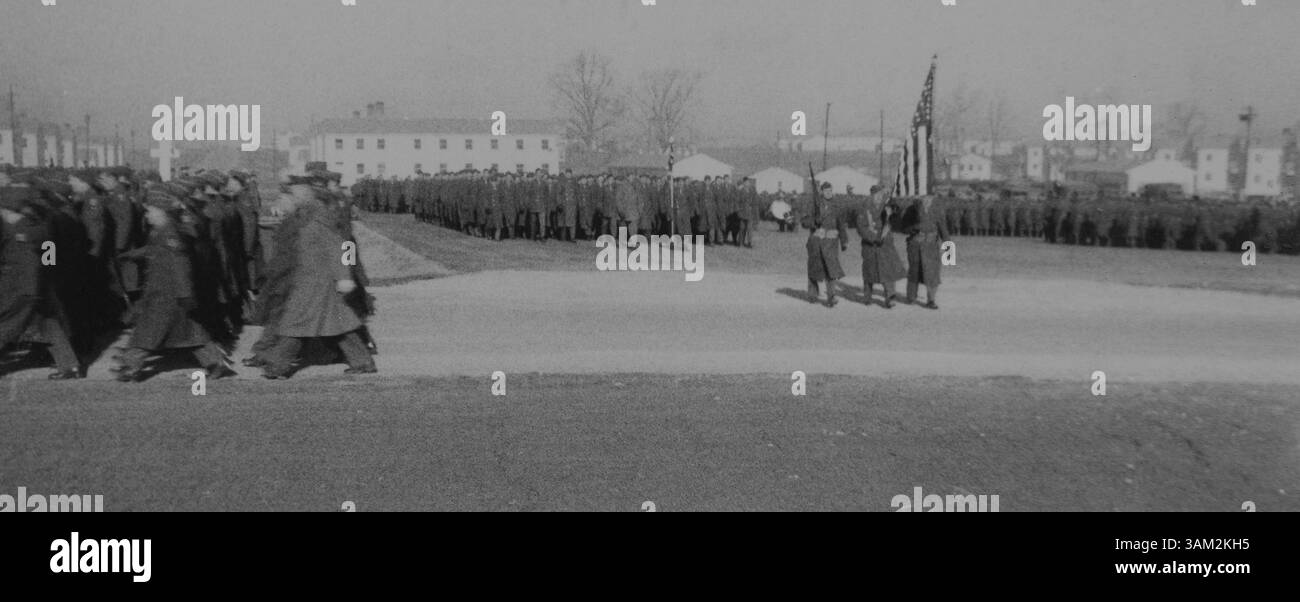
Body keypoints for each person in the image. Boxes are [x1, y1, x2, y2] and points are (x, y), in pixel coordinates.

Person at [113, 186, 233, 382]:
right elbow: (153, 250)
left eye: (150, 211)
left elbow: (181, 266)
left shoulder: (171, 235)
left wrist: (185, 294)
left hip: (168, 295)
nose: (147, 215)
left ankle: (130, 367)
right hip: (165, 293)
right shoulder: (161, 232)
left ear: (162, 212)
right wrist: (130, 255)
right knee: (192, 334)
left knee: (148, 332)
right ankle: (217, 362)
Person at [259, 182, 377, 379]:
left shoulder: (317, 221)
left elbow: (338, 248)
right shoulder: (309, 217)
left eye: (293, 197)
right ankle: (363, 362)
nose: (288, 201)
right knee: (337, 325)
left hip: (319, 283)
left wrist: (344, 277)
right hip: (312, 281)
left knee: (298, 324)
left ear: (303, 199)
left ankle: (277, 366)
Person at [0, 186, 82, 379]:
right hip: (42, 283)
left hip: (18, 287)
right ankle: (70, 366)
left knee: (5, 323)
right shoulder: (41, 225)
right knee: (49, 323)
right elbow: (50, 256)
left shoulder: (8, 229)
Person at [858, 186, 906, 308]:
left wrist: (895, 210)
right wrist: (873, 238)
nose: (879, 197)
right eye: (876, 195)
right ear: (872, 196)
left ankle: (890, 297)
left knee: (888, 271)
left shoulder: (887, 208)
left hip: (885, 245)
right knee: (869, 271)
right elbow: (861, 228)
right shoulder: (865, 209)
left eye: (881, 195)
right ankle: (867, 296)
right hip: (871, 245)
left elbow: (896, 221)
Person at [804, 182, 848, 307]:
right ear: (821, 192)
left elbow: (841, 224)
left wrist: (844, 241)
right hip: (816, 241)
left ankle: (831, 296)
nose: (828, 192)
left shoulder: (837, 206)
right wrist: (814, 222)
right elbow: (804, 221)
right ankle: (812, 294)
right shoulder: (814, 205)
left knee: (831, 269)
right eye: (826, 190)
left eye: (830, 190)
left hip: (831, 242)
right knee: (814, 268)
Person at [902, 194, 949, 309]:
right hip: (915, 245)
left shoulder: (937, 210)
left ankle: (931, 300)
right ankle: (911, 297)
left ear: (933, 198)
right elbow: (903, 228)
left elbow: (943, 228)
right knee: (915, 271)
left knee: (932, 273)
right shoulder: (911, 210)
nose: (926, 200)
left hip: (931, 245)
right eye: (924, 198)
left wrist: (949, 249)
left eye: (929, 198)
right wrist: (914, 227)